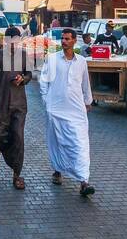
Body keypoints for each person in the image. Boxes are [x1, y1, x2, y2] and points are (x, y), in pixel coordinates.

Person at [39, 28, 95, 198]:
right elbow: (44, 82)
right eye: (62, 39)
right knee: (57, 142)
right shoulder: (52, 59)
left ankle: (84, 181)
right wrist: (47, 103)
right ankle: (57, 171)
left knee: (80, 143)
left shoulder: (81, 61)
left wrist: (87, 101)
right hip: (55, 109)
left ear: (74, 41)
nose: (63, 41)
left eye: (67, 39)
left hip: (76, 110)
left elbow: (86, 83)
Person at [0, 27, 34, 190]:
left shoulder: (23, 56)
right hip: (1, 102)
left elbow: (29, 74)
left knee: (18, 137)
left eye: (16, 42)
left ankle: (17, 174)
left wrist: (23, 79)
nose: (13, 45)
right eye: (10, 42)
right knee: (0, 134)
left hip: (19, 104)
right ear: (6, 41)